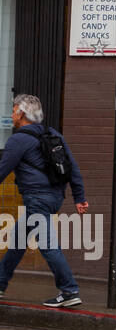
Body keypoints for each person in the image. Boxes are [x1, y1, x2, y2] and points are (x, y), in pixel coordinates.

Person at [0, 95, 90, 307]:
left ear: (21, 114)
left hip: (37, 199)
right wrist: (79, 197)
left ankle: (69, 290)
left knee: (47, 244)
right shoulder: (53, 134)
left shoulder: (18, 140)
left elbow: (2, 170)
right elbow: (72, 168)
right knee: (19, 238)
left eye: (13, 111)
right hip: (55, 196)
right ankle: (1, 283)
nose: (12, 115)